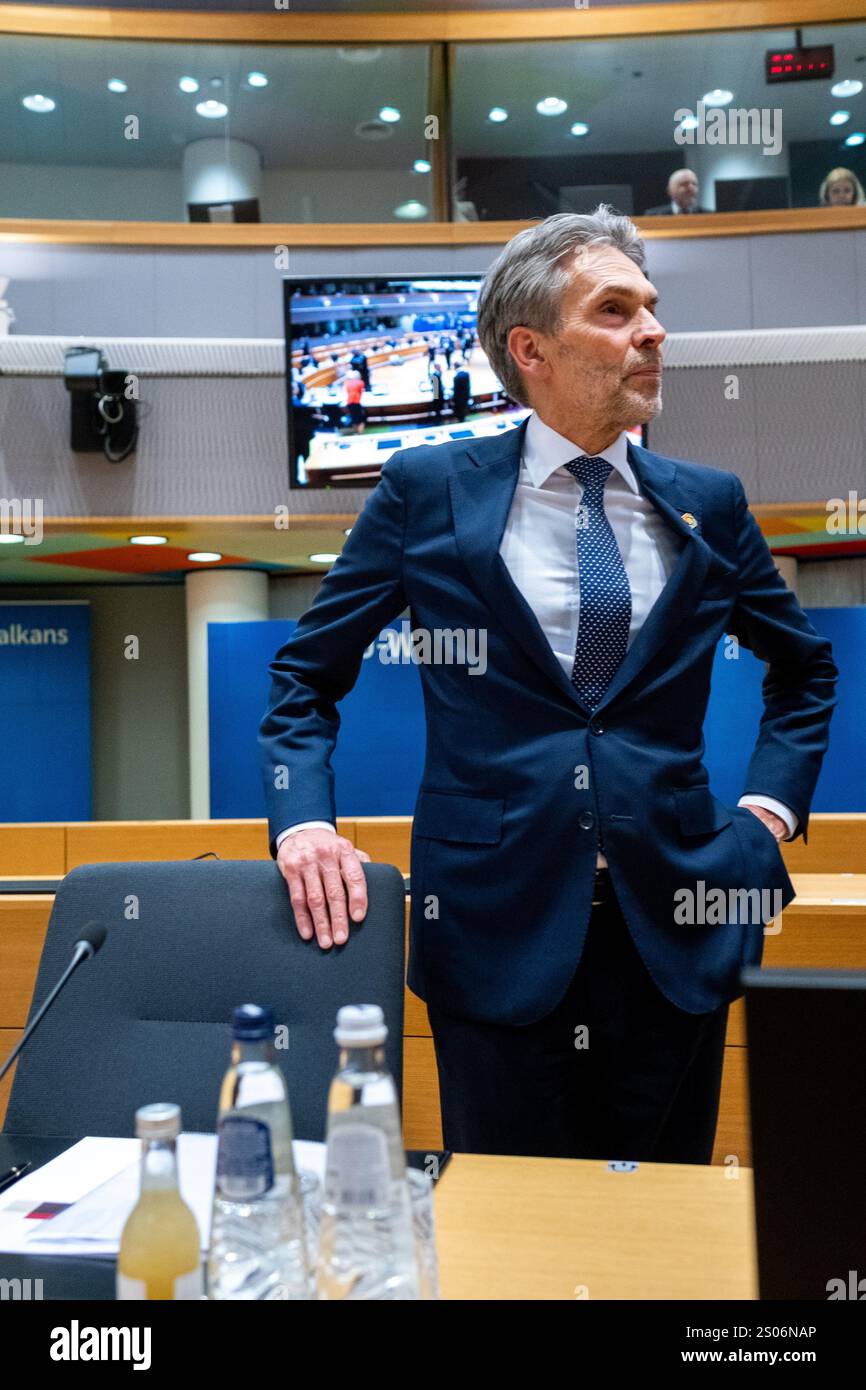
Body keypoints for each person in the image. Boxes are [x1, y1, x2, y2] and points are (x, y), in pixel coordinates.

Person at [260, 206, 837, 1164]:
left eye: (652, 307)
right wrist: (304, 822)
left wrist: (764, 818)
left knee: (661, 1234)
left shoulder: (711, 504)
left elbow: (804, 668)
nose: (653, 330)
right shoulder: (425, 491)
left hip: (682, 925)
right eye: (615, 311)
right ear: (531, 348)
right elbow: (305, 675)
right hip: (493, 931)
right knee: (510, 1235)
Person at [450, 357, 472, 422]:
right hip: (466, 394)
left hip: (459, 397)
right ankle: (463, 418)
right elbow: (468, 385)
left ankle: (461, 420)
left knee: (460, 409)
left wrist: (453, 399)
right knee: (464, 407)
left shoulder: (456, 377)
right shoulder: (466, 374)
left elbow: (456, 390)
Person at [343, 370, 366, 434]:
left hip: (349, 402)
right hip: (356, 402)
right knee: (361, 420)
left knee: (354, 419)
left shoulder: (348, 383)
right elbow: (361, 392)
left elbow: (347, 392)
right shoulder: (360, 382)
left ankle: (356, 433)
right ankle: (360, 434)